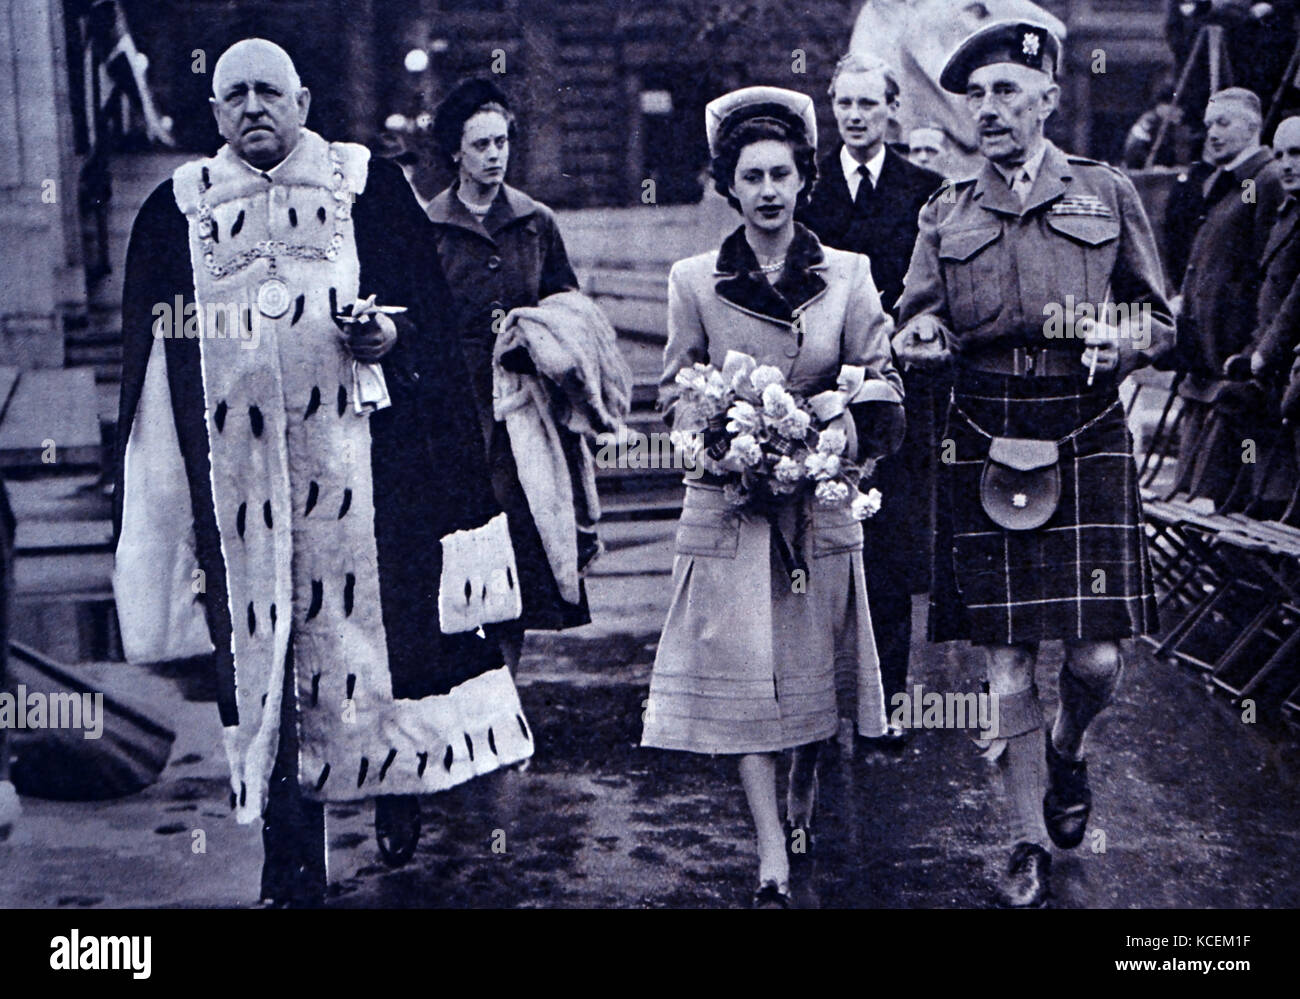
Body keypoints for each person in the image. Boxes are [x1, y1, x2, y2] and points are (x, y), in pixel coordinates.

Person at [113, 40, 532, 907]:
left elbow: (424, 315)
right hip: (242, 497)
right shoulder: (177, 212)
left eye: (271, 91)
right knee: (271, 673)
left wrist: (388, 338)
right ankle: (290, 863)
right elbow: (150, 373)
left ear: (303, 99)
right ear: (216, 113)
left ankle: (394, 787)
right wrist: (162, 504)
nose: (254, 107)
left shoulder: (364, 188)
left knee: (381, 649)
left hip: (370, 478)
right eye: (236, 96)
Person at [894, 21, 1173, 908]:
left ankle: (1065, 750)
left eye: (1007, 92)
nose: (989, 110)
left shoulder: (1105, 192)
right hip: (983, 432)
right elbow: (914, 320)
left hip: (1084, 428)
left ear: (1049, 98)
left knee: (1092, 660)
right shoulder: (946, 212)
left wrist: (1121, 340)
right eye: (976, 96)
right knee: (1005, 665)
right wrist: (924, 337)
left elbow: (1160, 319)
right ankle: (1023, 838)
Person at [641, 86, 904, 907]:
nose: (766, 191)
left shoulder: (849, 278)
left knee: (813, 677)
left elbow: (884, 381)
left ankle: (804, 786)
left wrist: (839, 428)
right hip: (731, 507)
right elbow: (673, 386)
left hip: (818, 500)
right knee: (744, 677)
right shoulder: (693, 279)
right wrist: (715, 429)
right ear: (729, 185)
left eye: (780, 175)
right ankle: (770, 858)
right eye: (750, 176)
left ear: (803, 181)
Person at [798, 53, 945, 755]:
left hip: (899, 395)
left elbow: (939, 291)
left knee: (888, 546)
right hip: (819, 390)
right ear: (832, 107)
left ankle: (885, 705)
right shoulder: (806, 186)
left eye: (868, 104)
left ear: (893, 109)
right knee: (818, 541)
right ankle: (815, 704)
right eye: (844, 104)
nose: (855, 116)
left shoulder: (927, 190)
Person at [425, 79, 594, 674]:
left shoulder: (534, 222)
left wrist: (543, 341)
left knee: (519, 557)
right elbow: (415, 324)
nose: (495, 155)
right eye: (480, 145)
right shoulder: (429, 229)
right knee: (463, 558)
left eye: (502, 142)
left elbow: (569, 306)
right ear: (455, 152)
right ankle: (473, 703)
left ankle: (510, 696)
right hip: (455, 416)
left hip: (524, 414)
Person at [1173, 88, 1284, 505]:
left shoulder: (1264, 182)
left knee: (1230, 487)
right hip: (1206, 360)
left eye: (1224, 123)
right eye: (1207, 126)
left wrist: (1253, 345)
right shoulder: (1222, 183)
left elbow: (1267, 271)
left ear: (1254, 127)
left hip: (1234, 360)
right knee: (1200, 490)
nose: (1212, 134)